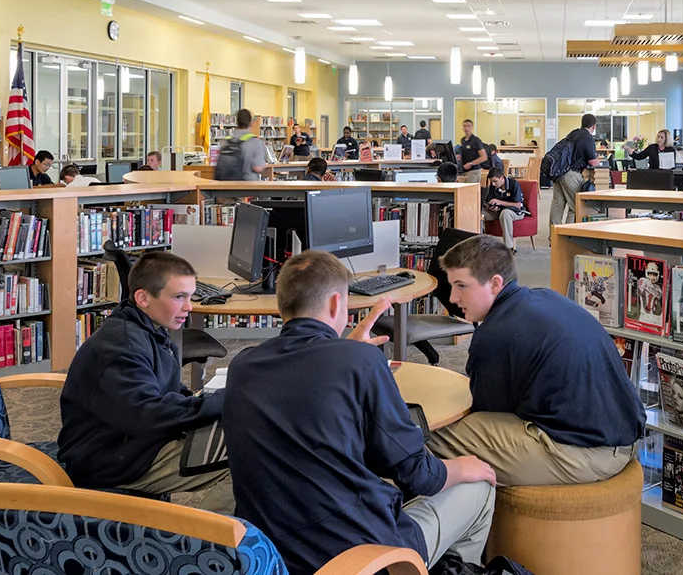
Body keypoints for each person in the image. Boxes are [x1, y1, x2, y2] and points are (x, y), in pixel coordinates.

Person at [221, 250, 496, 573]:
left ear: (282, 306)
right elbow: (417, 475)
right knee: (478, 488)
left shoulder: (242, 365)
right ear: (338, 304)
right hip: (359, 557)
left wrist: (348, 352)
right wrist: (464, 468)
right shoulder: (360, 362)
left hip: (273, 555)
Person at [428, 236, 645, 486]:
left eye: (461, 286)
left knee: (431, 434)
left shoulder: (494, 335)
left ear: (495, 283)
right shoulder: (544, 298)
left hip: (589, 453)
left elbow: (485, 412)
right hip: (624, 435)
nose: (453, 298)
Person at [56, 252, 232, 509]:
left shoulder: (150, 330)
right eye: (179, 297)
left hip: (137, 443)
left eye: (190, 296)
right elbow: (149, 414)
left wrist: (205, 401)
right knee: (247, 458)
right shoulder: (122, 347)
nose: (189, 307)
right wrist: (221, 402)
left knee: (248, 436)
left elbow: (163, 392)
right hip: (114, 460)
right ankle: (204, 543)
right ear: (143, 298)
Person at [548, 114, 604, 227]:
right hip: (571, 174)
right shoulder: (588, 138)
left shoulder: (573, 133)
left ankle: (553, 236)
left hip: (559, 172)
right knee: (576, 206)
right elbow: (593, 162)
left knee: (557, 205)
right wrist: (601, 163)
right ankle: (568, 236)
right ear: (594, 126)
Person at [482, 168, 528, 252]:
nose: (493, 184)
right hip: (497, 211)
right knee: (480, 214)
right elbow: (487, 200)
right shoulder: (493, 186)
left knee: (505, 213)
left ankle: (509, 248)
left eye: (495, 181)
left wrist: (500, 202)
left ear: (502, 178)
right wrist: (490, 206)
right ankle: (481, 244)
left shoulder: (514, 184)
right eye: (491, 181)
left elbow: (518, 205)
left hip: (515, 212)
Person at [219, 109, 269, 181]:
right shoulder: (255, 142)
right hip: (248, 186)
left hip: (226, 186)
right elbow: (258, 168)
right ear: (250, 123)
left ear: (237, 122)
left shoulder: (225, 141)